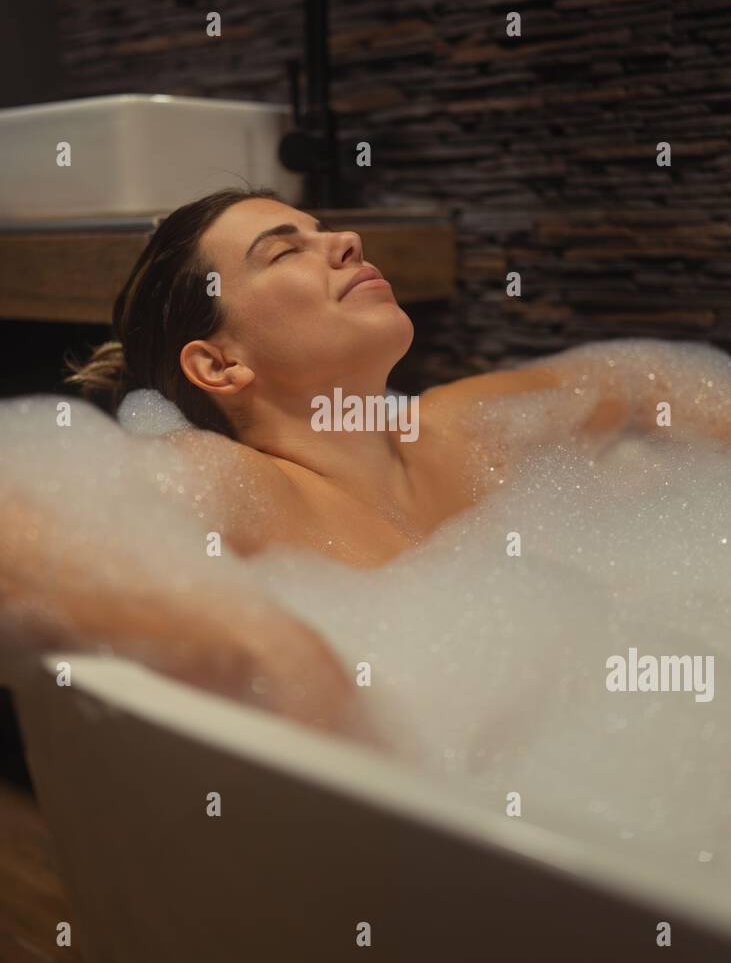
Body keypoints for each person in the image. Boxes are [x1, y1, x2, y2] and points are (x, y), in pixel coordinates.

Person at [3, 187, 729, 735]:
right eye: (284, 251)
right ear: (219, 365)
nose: (346, 239)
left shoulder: (461, 431)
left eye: (325, 230)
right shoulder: (238, 483)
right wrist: (270, 648)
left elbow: (642, 385)